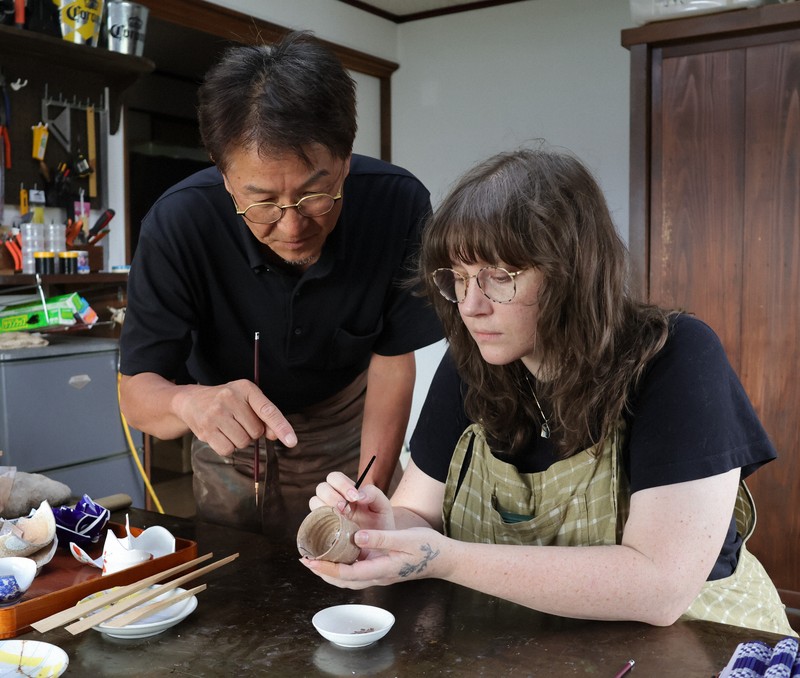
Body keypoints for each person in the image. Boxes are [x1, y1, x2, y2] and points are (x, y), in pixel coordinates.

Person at [302, 146, 796, 636]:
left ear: (571, 272)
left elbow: (661, 588)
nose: (470, 305)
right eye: (459, 277)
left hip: (699, 640)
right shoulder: (470, 362)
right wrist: (386, 527)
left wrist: (446, 560)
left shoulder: (675, 356)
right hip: (537, 641)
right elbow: (420, 512)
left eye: (498, 277)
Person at [118, 31, 442, 535]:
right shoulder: (180, 223)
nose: (292, 228)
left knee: (366, 575)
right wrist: (189, 401)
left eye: (317, 194)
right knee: (233, 581)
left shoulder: (397, 205)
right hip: (229, 443)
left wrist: (368, 494)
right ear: (225, 178)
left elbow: (392, 364)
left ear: (346, 160)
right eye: (262, 202)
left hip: (347, 431)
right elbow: (136, 394)